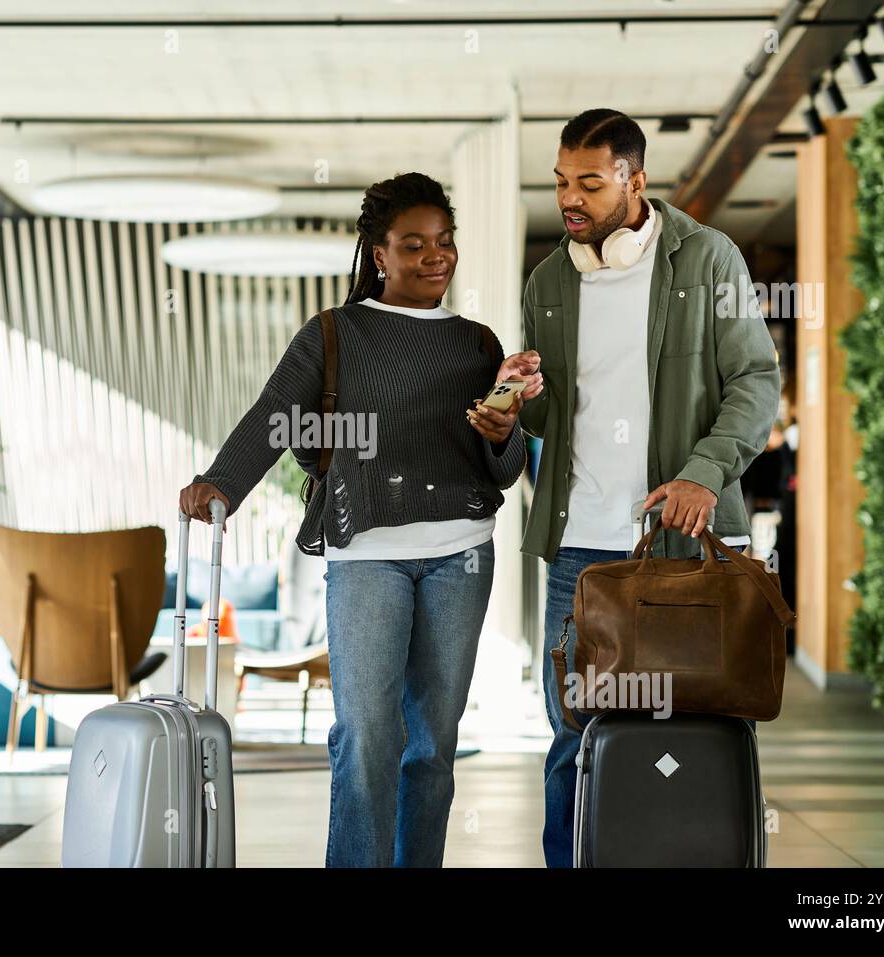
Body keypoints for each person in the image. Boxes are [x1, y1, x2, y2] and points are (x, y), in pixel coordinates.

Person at [180, 172, 526, 867]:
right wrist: (220, 481)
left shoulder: (478, 344)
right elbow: (274, 416)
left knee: (432, 743)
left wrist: (502, 429)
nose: (436, 256)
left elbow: (505, 469)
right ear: (378, 252)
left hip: (463, 554)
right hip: (365, 554)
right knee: (367, 734)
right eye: (415, 244)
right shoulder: (337, 333)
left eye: (445, 242)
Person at [497, 109, 781, 867]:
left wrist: (704, 469)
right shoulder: (551, 280)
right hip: (581, 549)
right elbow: (559, 416)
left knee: (710, 716)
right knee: (571, 731)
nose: (571, 198)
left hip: (694, 543)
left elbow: (756, 380)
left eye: (590, 181)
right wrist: (529, 396)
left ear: (635, 180)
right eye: (562, 182)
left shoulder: (708, 259)